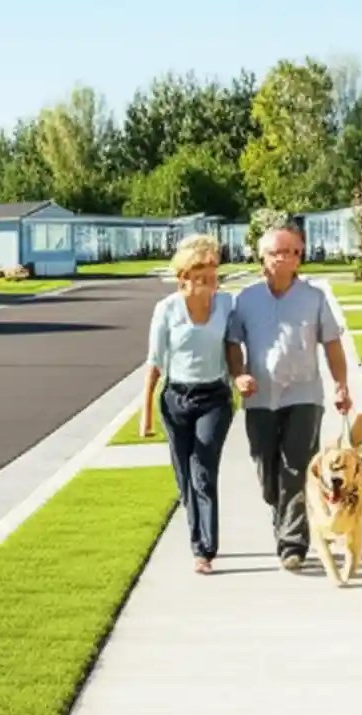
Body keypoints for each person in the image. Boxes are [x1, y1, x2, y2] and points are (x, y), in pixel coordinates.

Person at [225, 222, 352, 571]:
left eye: (295, 251)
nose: (289, 258)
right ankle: (282, 513)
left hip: (304, 395)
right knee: (267, 471)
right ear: (263, 257)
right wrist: (239, 375)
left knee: (296, 468)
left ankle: (292, 544)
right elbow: (233, 342)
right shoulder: (246, 299)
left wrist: (341, 384)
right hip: (259, 398)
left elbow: (332, 344)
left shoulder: (314, 298)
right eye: (281, 252)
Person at [142, 234, 234, 575]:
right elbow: (154, 362)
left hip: (214, 398)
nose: (210, 283)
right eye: (202, 277)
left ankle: (203, 549)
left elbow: (234, 346)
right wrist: (146, 414)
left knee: (203, 472)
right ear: (184, 279)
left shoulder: (226, 304)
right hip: (176, 398)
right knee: (184, 478)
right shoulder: (166, 310)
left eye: (213, 275)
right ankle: (198, 531)